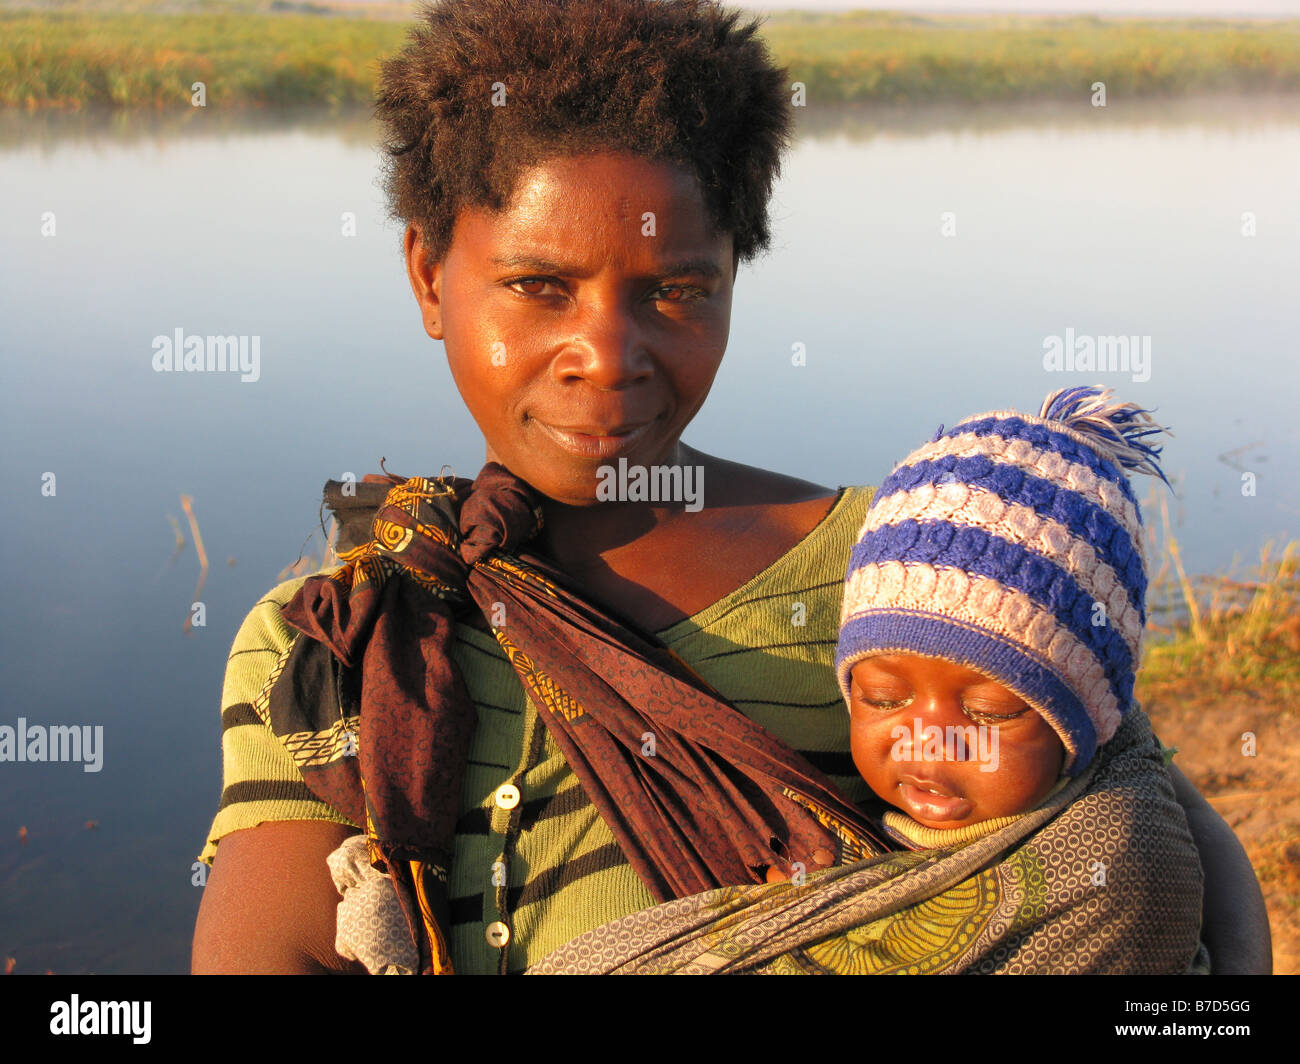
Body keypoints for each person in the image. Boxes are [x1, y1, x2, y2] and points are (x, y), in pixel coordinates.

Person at [190, 0, 1270, 975]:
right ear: (429, 274)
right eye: (537, 286)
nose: (607, 354)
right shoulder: (333, 636)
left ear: (732, 279)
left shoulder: (912, 565)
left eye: (674, 290)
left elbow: (1145, 850)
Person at [524, 387, 1207, 973]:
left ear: (1085, 728)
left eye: (993, 712)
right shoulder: (858, 840)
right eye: (884, 697)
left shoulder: (1116, 862)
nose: (928, 740)